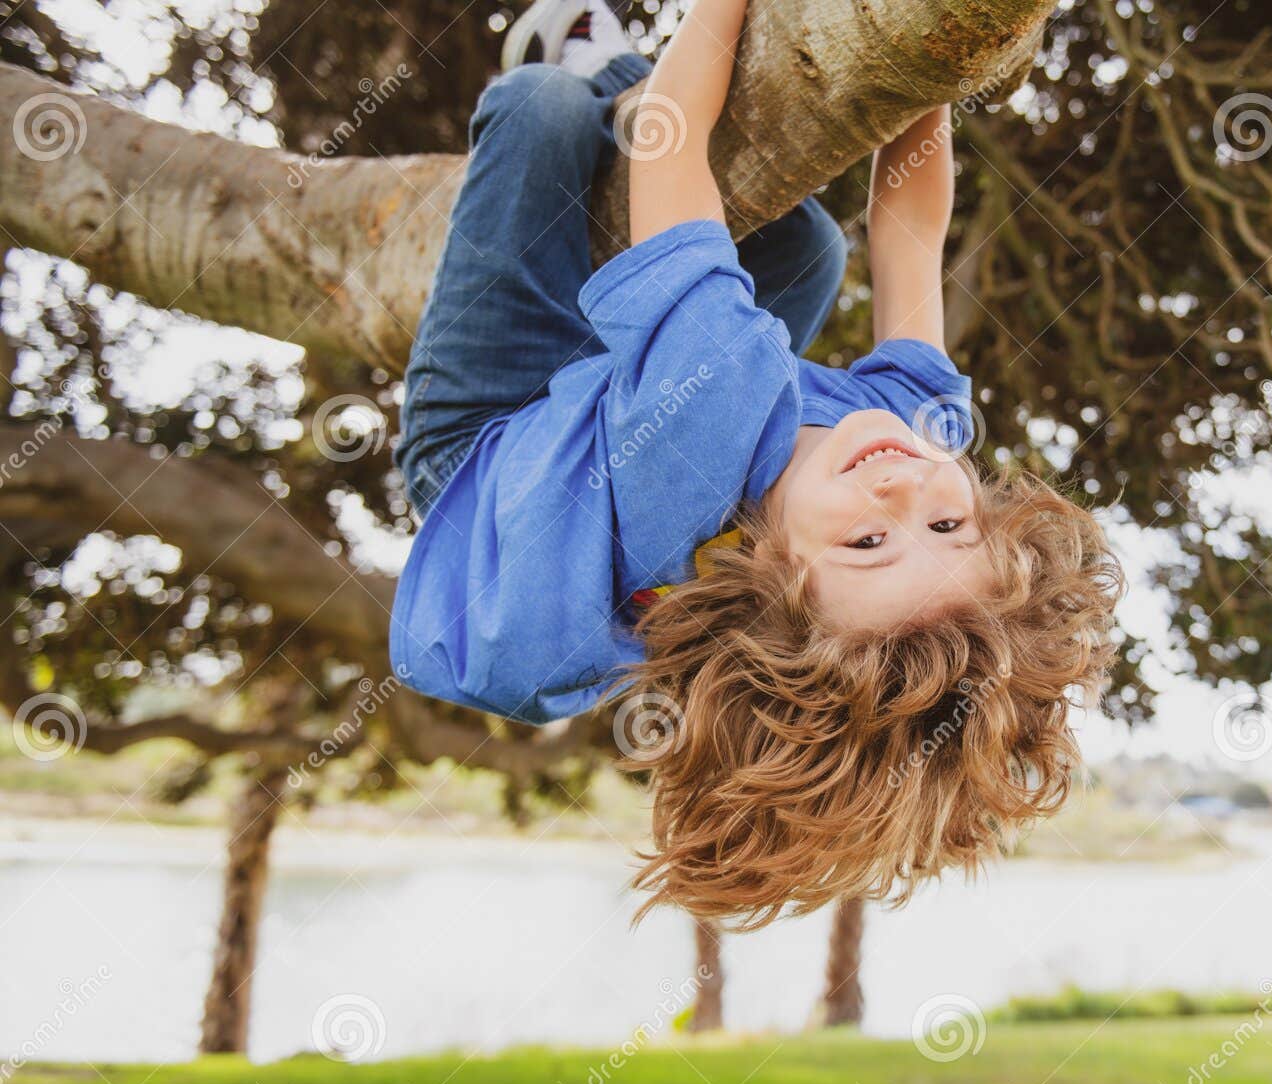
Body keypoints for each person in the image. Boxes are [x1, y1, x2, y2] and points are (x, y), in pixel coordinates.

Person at [391, 0, 1122, 928]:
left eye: (868, 541)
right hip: (622, 433)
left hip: (488, 444)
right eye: (949, 526)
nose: (908, 489)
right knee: (808, 246)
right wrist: (929, 79)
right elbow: (908, 239)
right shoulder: (917, 432)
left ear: (759, 576)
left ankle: (601, 66)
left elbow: (675, 140)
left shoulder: (714, 406)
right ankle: (639, 263)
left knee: (540, 112)